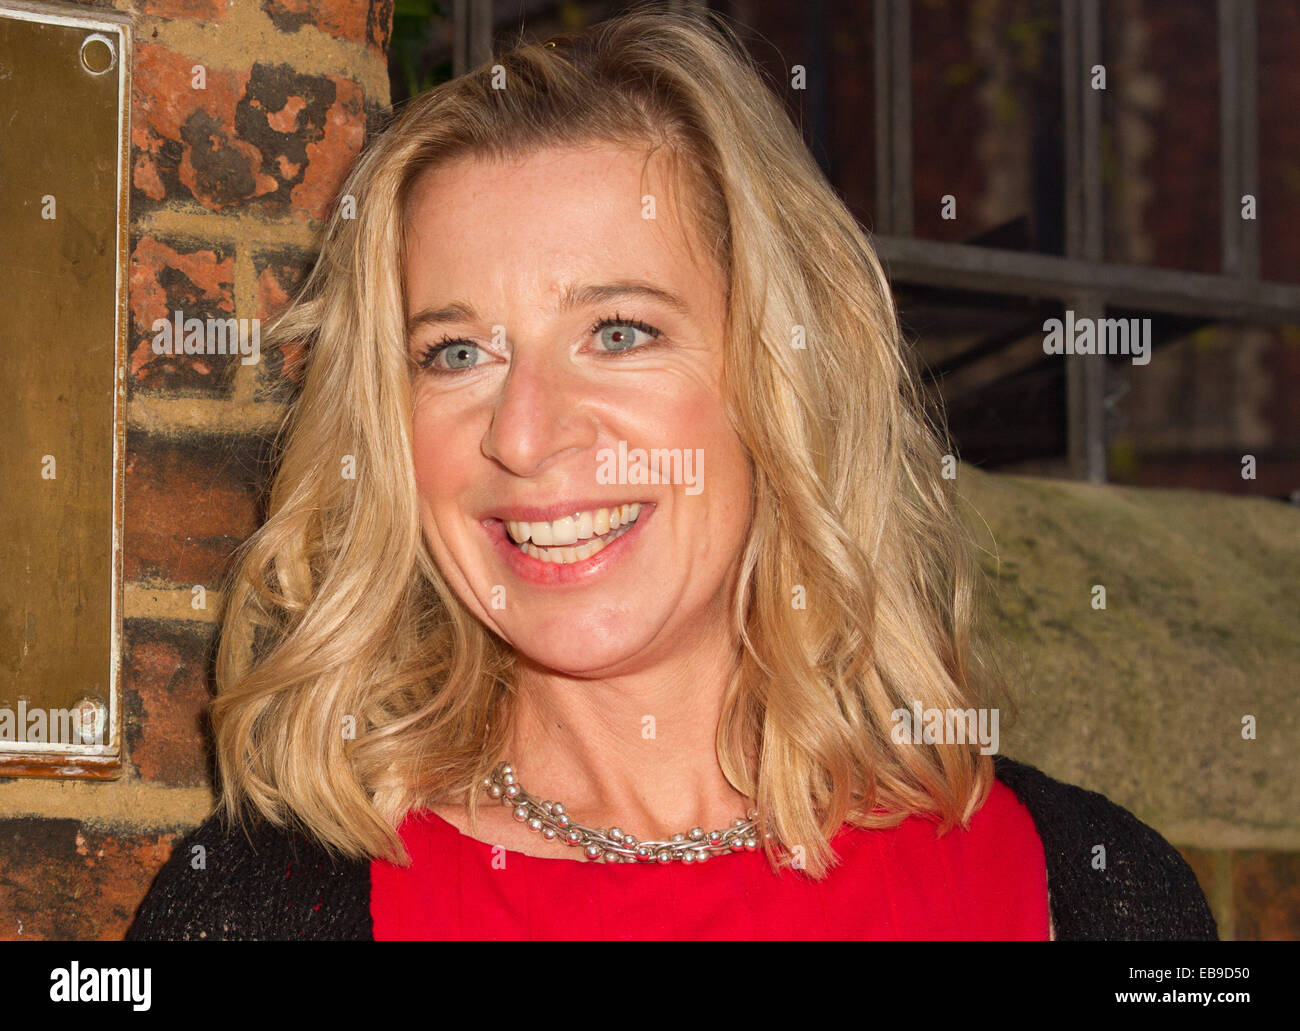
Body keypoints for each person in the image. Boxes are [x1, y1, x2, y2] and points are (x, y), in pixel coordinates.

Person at [126, 5, 1214, 941]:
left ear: (777, 377)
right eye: (456, 352)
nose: (524, 430)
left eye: (618, 330)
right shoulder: (264, 904)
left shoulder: (1094, 890)